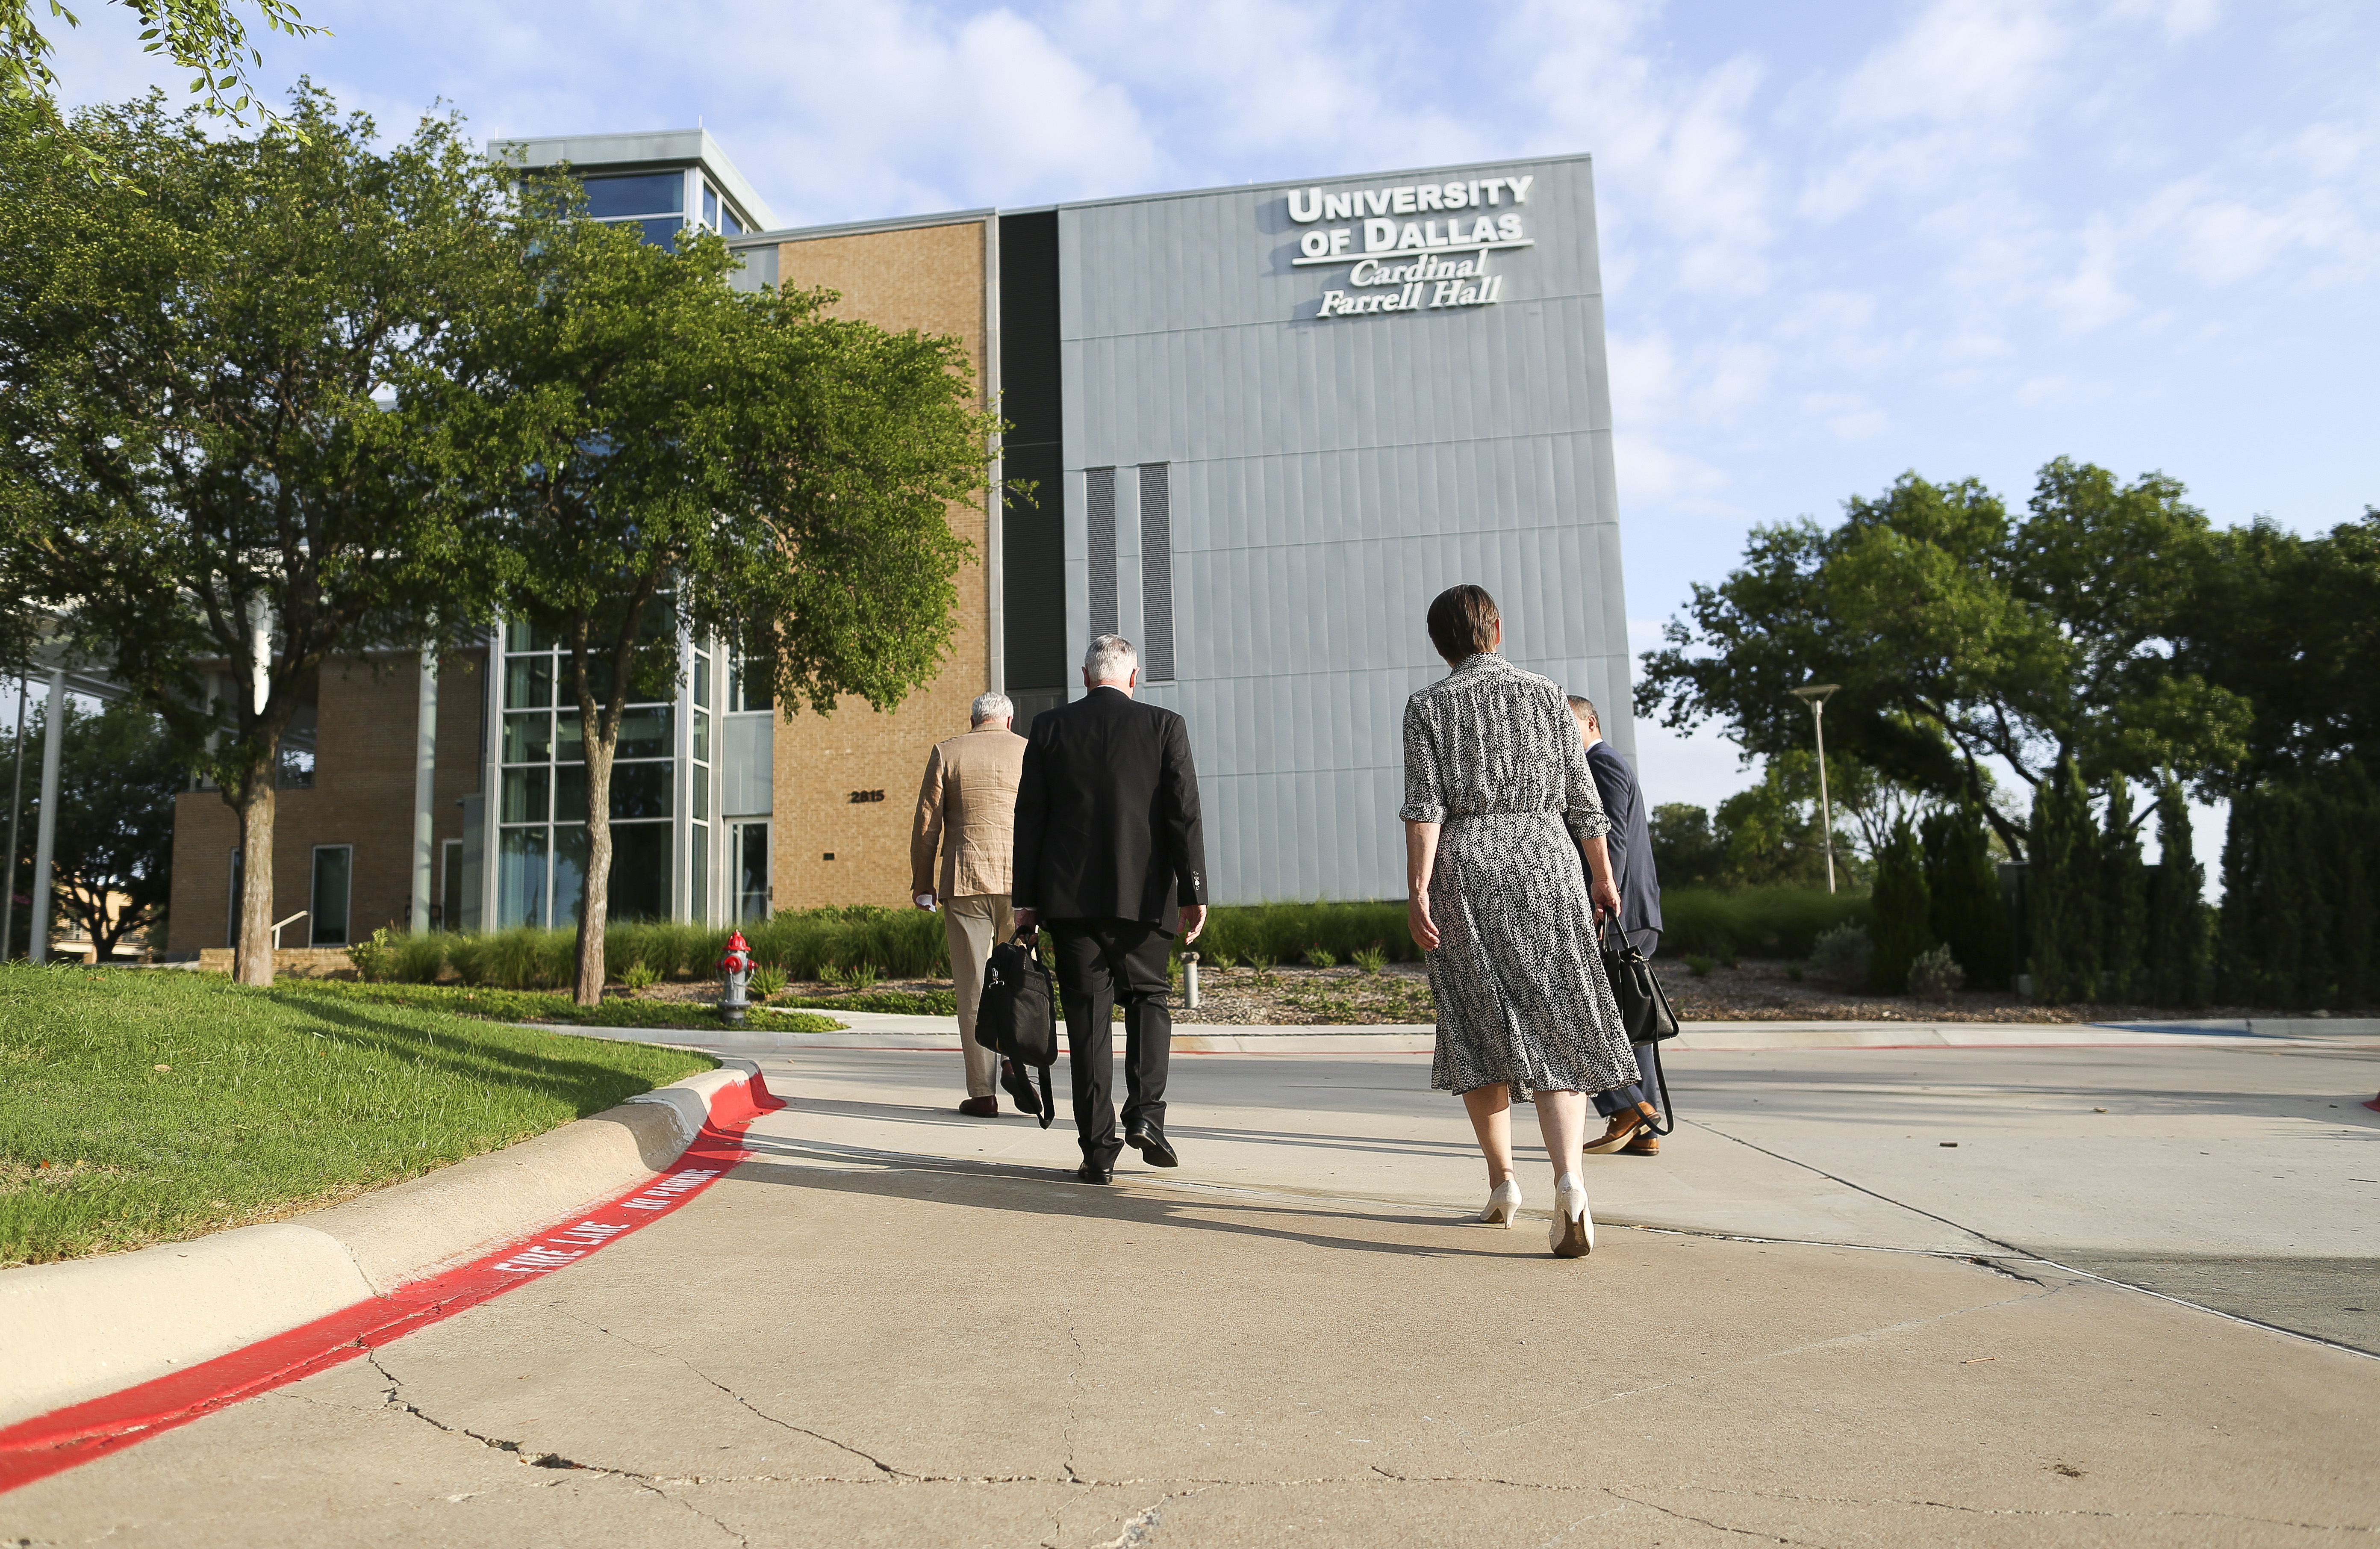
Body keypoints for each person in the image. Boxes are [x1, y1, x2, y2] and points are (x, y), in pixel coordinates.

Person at [1400, 585, 1654, 1259]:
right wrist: (1602, 875)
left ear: (1440, 642)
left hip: (1469, 866)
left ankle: (1503, 1182)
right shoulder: (1549, 695)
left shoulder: (1428, 705)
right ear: (1498, 629)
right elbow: (1583, 797)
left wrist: (1418, 888)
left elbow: (1425, 805)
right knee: (1558, 1019)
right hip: (1548, 859)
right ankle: (1570, 1182)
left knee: (1474, 1021)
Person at [1012, 634, 1208, 1184]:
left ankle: (1098, 1149)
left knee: (1088, 1022)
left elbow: (1030, 820)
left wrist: (1026, 901)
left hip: (1070, 903)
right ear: (1135, 675)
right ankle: (1146, 1115)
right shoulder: (1165, 725)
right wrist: (1194, 891)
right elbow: (1183, 813)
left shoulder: (1049, 729)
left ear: (1084, 676)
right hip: (1144, 897)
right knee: (1149, 1000)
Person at [912, 690, 1031, 1118]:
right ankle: (1014, 1059)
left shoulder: (948, 752)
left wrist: (923, 883)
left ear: (973, 719)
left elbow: (927, 825)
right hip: (1022, 886)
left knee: (974, 987)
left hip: (965, 881)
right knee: (1017, 981)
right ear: (1010, 721)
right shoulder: (1030, 753)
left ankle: (983, 1093)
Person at [1569, 694, 1668, 1157]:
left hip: (1616, 913)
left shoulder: (1602, 764)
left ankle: (1626, 1106)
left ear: (1590, 722)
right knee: (1631, 1022)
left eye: (1566, 727)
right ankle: (1644, 1125)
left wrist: (1601, 903)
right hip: (1632, 913)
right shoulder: (1605, 763)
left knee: (1587, 1017)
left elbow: (1612, 841)